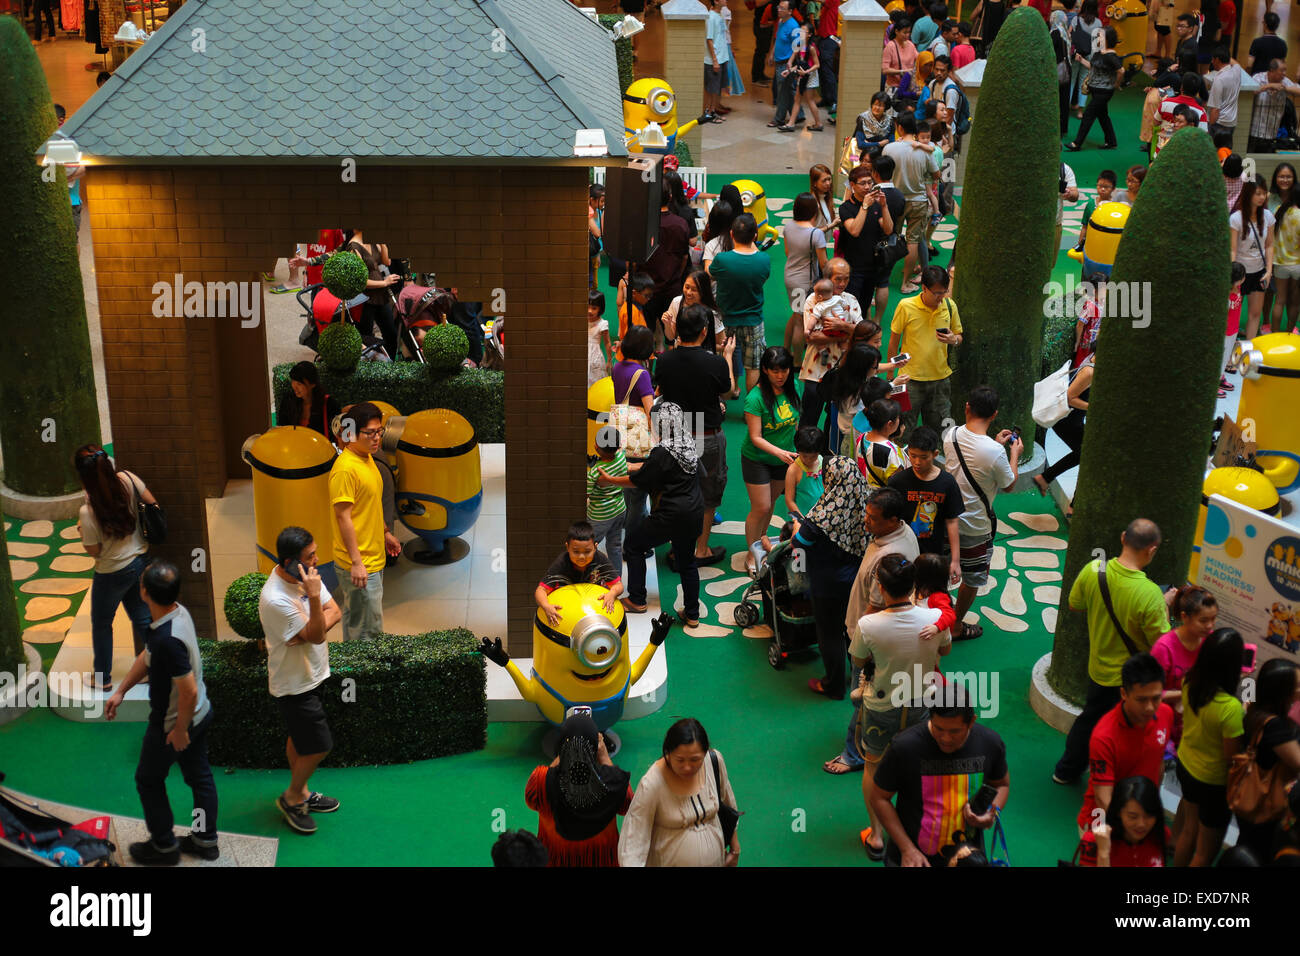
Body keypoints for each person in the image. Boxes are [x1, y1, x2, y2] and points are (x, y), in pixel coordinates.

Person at [104, 561, 218, 865]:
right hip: (200, 714)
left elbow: (187, 690)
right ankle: (205, 840)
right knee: (200, 779)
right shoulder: (176, 614)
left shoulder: (167, 639)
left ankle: (164, 847)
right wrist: (121, 690)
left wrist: (179, 730)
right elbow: (148, 655)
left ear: (144, 592)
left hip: (172, 724)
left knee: (148, 780)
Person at [1054, 519, 1170, 784]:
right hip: (1129, 678)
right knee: (1123, 731)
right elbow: (1161, 643)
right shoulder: (1151, 594)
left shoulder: (1093, 569)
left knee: (1089, 719)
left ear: (1123, 537)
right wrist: (1165, 606)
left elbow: (1075, 604)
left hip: (1097, 668)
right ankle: (1115, 781)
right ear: (1152, 550)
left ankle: (1067, 769)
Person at [853, 553, 952, 859]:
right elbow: (946, 650)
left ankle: (877, 835)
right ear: (913, 584)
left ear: (881, 587)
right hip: (922, 703)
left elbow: (858, 659)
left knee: (873, 766)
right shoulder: (934, 618)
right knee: (917, 767)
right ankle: (914, 828)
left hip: (882, 706)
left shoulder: (868, 624)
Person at [826, 488, 921, 774]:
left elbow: (875, 607)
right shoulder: (903, 532)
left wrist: (860, 642)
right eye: (867, 514)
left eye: (873, 518)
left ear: (893, 520)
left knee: (862, 699)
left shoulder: (889, 557)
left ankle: (854, 754)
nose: (866, 521)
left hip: (871, 641)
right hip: (885, 638)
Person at [258, 526, 343, 835]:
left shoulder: (307, 577)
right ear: (290, 562)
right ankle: (292, 797)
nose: (316, 559)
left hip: (313, 673)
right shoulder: (275, 599)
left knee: (299, 738)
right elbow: (317, 633)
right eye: (310, 556)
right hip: (295, 685)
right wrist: (315, 601)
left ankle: (303, 791)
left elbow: (335, 611)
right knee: (319, 745)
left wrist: (310, 629)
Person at [598, 403, 705, 627]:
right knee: (687, 562)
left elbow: (639, 482)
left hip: (670, 514)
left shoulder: (663, 451)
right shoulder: (688, 444)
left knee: (634, 545)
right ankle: (692, 614)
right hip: (694, 512)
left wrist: (609, 480)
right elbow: (661, 468)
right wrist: (634, 467)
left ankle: (637, 599)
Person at [870, 695, 1009, 866]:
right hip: (912, 859)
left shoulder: (990, 743)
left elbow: (1002, 785)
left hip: (967, 858)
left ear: (972, 721)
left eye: (954, 731)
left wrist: (991, 812)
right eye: (939, 728)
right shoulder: (904, 746)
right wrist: (907, 849)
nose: (945, 738)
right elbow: (879, 797)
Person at [654, 304, 736, 569]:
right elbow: (728, 391)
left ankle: (678, 548)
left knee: (676, 492)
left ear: (678, 329)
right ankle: (700, 550)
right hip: (705, 435)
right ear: (704, 331)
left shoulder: (665, 361)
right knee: (708, 496)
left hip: (674, 435)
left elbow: (661, 390)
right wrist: (728, 357)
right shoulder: (715, 362)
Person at [74, 445, 157, 693]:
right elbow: (152, 503)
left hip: (111, 572)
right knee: (143, 618)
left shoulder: (88, 511)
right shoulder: (129, 480)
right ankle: (154, 668)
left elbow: (94, 551)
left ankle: (102, 677)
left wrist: (81, 531)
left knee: (102, 623)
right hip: (140, 561)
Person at [942, 385, 1021, 641]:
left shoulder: (950, 435)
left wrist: (994, 444)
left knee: (940, 574)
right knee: (972, 579)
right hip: (976, 526)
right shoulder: (995, 452)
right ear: (994, 414)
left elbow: (973, 459)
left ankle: (938, 616)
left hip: (947, 520)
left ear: (967, 407)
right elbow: (1009, 485)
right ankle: (955, 625)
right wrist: (1014, 454)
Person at [619, 718, 740, 866]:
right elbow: (633, 842)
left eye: (695, 760)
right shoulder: (652, 783)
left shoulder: (714, 762)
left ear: (705, 752)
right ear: (668, 753)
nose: (687, 767)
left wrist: (735, 849)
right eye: (680, 760)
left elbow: (729, 805)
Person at [797, 457, 870, 700]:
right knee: (853, 630)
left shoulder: (823, 513)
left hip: (827, 583)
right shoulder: (867, 503)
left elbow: (800, 543)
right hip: (857, 581)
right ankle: (860, 676)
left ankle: (834, 685)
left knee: (829, 633)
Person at [1075, 653, 1173, 835]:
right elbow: (1103, 798)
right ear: (1123, 694)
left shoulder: (1166, 714)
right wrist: (1133, 830)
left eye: (1156, 698)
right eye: (1141, 700)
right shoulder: (1104, 737)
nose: (1150, 707)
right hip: (1104, 821)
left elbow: (1157, 764)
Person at [1174, 627, 1246, 866]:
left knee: (1188, 831)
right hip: (1213, 782)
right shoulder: (1230, 709)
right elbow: (1231, 757)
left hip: (1186, 765)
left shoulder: (1189, 681)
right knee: (1205, 851)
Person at [329, 402, 400, 641]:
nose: (377, 438)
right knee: (368, 634)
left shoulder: (366, 458)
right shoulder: (346, 470)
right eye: (370, 433)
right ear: (351, 433)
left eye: (379, 431)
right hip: (361, 565)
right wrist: (357, 562)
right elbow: (343, 517)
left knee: (357, 623)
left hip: (372, 557)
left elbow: (368, 506)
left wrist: (385, 533)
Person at [526, 713, 633, 867]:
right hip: (600, 859)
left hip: (557, 858)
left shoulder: (541, 780)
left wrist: (567, 751)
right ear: (595, 747)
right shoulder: (613, 781)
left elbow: (531, 800)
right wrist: (604, 756)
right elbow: (628, 805)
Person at [741, 347, 802, 572]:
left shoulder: (794, 387)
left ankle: (762, 543)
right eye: (775, 371)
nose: (780, 375)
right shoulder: (755, 398)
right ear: (765, 370)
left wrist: (794, 450)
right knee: (761, 506)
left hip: (785, 458)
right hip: (757, 458)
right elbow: (755, 437)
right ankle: (751, 554)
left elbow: (795, 422)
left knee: (771, 503)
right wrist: (779, 452)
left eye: (784, 370)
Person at [886, 264, 963, 437]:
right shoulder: (906, 306)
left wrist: (953, 340)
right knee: (903, 430)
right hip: (909, 379)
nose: (940, 297)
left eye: (944, 292)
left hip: (940, 379)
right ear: (924, 288)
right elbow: (893, 342)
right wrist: (891, 375)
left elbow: (959, 336)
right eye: (936, 293)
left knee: (941, 430)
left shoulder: (949, 306)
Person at [1234, 658, 1300, 858]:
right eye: (1298, 685)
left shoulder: (1255, 710)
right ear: (1283, 691)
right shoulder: (1275, 726)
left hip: (1248, 799)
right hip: (1264, 805)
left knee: (1244, 847)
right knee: (1256, 852)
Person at [800, 258, 864, 432]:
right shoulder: (814, 299)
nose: (843, 283)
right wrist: (847, 334)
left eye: (846, 278)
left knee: (835, 421)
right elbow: (811, 337)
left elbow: (864, 332)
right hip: (815, 369)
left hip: (843, 369)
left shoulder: (851, 299)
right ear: (827, 278)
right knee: (809, 418)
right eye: (838, 279)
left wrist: (841, 326)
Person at [888, 425, 961, 579]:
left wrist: (955, 560)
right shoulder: (897, 482)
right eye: (913, 455)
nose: (917, 462)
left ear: (935, 454)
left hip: (934, 556)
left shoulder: (947, 483)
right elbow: (890, 519)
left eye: (923, 457)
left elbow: (952, 521)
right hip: (903, 554)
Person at [710, 213, 771, 393]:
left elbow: (711, 272)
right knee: (753, 365)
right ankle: (750, 405)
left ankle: (724, 399)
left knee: (724, 358)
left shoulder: (722, 260)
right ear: (755, 236)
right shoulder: (764, 260)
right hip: (753, 320)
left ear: (732, 234)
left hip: (726, 321)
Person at [1151, 585, 1217, 748]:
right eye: (1203, 620)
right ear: (1184, 617)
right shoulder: (1164, 648)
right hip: (1164, 732)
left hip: (1195, 731)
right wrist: (1186, 693)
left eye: (1213, 619)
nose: (1210, 626)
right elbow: (1151, 694)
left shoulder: (1211, 641)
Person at [611, 325, 657, 540]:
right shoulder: (642, 374)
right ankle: (633, 541)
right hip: (639, 439)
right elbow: (650, 410)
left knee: (628, 491)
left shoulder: (617, 367)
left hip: (621, 434)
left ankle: (628, 534)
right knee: (638, 494)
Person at [1032, 355, 1093, 512]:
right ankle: (1074, 506)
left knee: (1084, 454)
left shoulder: (1092, 360)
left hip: (1071, 421)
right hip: (1067, 422)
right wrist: (1093, 406)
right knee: (1088, 455)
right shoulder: (1090, 372)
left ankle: (1045, 478)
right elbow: (1069, 398)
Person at [535, 521, 624, 626]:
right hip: (567, 612)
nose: (582, 557)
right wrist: (546, 606)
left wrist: (612, 593)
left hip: (594, 609)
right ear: (567, 547)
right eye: (576, 552)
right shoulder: (562, 563)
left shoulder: (600, 559)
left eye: (587, 552)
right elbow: (541, 590)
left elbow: (618, 585)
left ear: (595, 547)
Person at [882, 114, 934, 292]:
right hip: (918, 200)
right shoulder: (925, 150)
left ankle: (883, 279)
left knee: (891, 237)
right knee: (913, 241)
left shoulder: (889, 148)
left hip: (895, 199)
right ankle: (905, 283)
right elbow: (936, 174)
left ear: (900, 128)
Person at [837, 163, 898, 305]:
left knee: (865, 304)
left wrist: (884, 206)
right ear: (852, 185)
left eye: (870, 182)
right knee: (852, 306)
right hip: (853, 267)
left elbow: (888, 230)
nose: (867, 187)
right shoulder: (846, 208)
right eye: (862, 183)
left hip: (873, 264)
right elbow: (854, 231)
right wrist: (864, 207)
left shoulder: (876, 205)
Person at [781, 192, 830, 363]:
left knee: (796, 315)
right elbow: (824, 263)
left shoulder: (788, 226)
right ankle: (796, 362)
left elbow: (787, 252)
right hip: (805, 282)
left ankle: (786, 349)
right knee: (800, 322)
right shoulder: (816, 234)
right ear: (814, 211)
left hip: (790, 276)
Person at [1079, 776, 1169, 867]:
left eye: (1149, 816)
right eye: (1133, 817)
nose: (1141, 824)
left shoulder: (1160, 834)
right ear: (1118, 812)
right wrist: (1103, 854)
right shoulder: (1094, 841)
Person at [1230, 176, 1276, 339]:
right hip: (1240, 272)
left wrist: (1269, 271)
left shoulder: (1268, 216)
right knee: (1233, 313)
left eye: (1264, 193)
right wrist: (1233, 276)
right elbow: (1232, 250)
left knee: (1255, 313)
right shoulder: (1236, 218)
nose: (1262, 197)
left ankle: (1249, 346)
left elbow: (1269, 245)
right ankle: (1230, 346)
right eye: (1258, 193)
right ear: (1248, 194)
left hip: (1259, 271)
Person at [1064, 26, 1122, 151]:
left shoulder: (1111, 56)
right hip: (1095, 90)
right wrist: (1081, 60)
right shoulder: (1098, 52)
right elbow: (1092, 66)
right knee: (1103, 116)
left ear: (1107, 39)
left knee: (1088, 115)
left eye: (1100, 36)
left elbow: (1121, 70)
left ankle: (1077, 143)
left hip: (1104, 92)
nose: (1097, 38)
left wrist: (1116, 84)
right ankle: (1111, 141)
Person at [588, 427, 629, 578]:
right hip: (619, 510)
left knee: (588, 546)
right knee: (615, 546)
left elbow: (586, 493)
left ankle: (589, 577)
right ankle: (615, 579)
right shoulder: (621, 457)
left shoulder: (595, 472)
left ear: (596, 447)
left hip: (600, 515)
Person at [660, 270, 726, 350]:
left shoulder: (710, 312)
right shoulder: (677, 302)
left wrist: (695, 346)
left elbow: (722, 345)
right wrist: (667, 324)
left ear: (703, 291)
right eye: (687, 287)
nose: (688, 292)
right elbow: (671, 337)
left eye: (694, 290)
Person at [277, 360, 341, 438]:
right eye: (293, 381)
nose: (294, 387)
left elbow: (338, 433)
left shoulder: (329, 405)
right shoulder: (288, 401)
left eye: (299, 384)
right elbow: (282, 428)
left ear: (312, 384)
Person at [1248, 59, 1300, 155]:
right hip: (1254, 131)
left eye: (1285, 70)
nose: (1284, 73)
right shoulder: (1258, 78)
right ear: (1272, 70)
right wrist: (1269, 86)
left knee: (1265, 160)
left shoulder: (1284, 81)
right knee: (1250, 160)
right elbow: (1249, 91)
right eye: (1282, 70)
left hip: (1272, 133)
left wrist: (1285, 88)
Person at [1271, 168, 1300, 335]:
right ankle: (1289, 333)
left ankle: (1275, 334)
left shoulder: (1278, 211)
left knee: (1279, 300)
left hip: (1280, 264)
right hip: (1297, 265)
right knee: (1294, 302)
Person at [767, 1, 802, 128]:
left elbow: (798, 46)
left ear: (790, 11)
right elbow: (778, 40)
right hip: (779, 61)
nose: (778, 9)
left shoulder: (794, 26)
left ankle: (779, 119)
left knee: (782, 92)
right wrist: (771, 54)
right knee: (788, 90)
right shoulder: (781, 22)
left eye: (782, 8)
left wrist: (790, 62)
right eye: (779, 7)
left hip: (786, 64)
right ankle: (799, 115)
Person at [856, 398, 904, 488]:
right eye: (898, 418)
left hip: (864, 491)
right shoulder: (892, 450)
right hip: (882, 495)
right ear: (890, 424)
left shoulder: (861, 438)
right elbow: (898, 482)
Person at [784, 425, 825, 521]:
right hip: (802, 518)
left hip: (820, 516)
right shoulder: (793, 470)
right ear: (798, 451)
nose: (809, 460)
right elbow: (789, 501)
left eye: (813, 456)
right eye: (805, 456)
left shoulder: (822, 460)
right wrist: (800, 520)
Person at [1205, 46, 1242, 140]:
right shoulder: (1237, 71)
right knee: (1225, 148)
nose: (1212, 62)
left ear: (1217, 60)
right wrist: (1225, 54)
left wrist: (1210, 128)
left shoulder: (1219, 79)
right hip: (1231, 123)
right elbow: (1236, 63)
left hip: (1218, 124)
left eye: (1213, 59)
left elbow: (1215, 109)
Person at [704, 0, 731, 122]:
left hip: (722, 57)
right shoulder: (710, 17)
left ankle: (713, 111)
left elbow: (722, 37)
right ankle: (708, 113)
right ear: (716, 1)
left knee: (717, 89)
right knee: (712, 89)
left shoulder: (720, 15)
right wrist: (715, 60)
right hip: (714, 60)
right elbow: (709, 39)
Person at [881, 18, 918, 99]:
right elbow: (885, 70)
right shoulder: (890, 46)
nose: (907, 35)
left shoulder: (910, 45)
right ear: (896, 31)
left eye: (909, 32)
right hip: (893, 87)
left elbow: (919, 59)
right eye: (904, 32)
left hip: (907, 87)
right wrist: (902, 72)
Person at [1247, 11, 1287, 77]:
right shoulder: (1283, 44)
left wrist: (1248, 78)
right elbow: (1283, 66)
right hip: (1273, 79)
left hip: (1257, 78)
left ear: (1265, 24)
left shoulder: (1257, 42)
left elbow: (1249, 65)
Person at [587, 290, 613, 386]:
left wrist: (609, 359)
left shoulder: (602, 324)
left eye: (594, 308)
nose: (590, 311)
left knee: (594, 379)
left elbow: (607, 342)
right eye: (587, 307)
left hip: (594, 356)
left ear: (600, 309)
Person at [588, 183, 605, 291]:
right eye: (601, 201)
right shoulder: (588, 213)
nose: (603, 204)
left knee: (594, 284)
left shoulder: (599, 212)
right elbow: (598, 233)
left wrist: (598, 254)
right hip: (588, 252)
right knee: (591, 284)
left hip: (595, 251)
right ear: (592, 200)